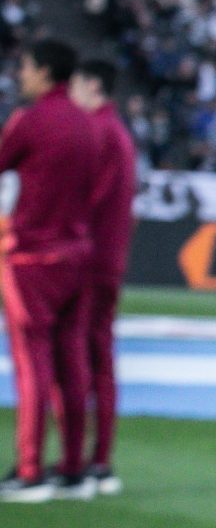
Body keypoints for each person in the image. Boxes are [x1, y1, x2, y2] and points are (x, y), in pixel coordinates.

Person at [0, 38, 98, 502]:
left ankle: (30, 468)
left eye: (26, 67)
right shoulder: (87, 124)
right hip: (79, 254)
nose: (21, 75)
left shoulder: (32, 120)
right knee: (72, 362)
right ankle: (74, 467)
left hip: (33, 257)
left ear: (43, 72)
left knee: (32, 362)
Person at [69, 58, 136, 495]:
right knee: (98, 359)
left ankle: (87, 460)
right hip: (105, 258)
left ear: (92, 85)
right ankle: (96, 459)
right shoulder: (116, 132)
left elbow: (85, 201)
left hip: (89, 261)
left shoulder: (100, 132)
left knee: (80, 359)